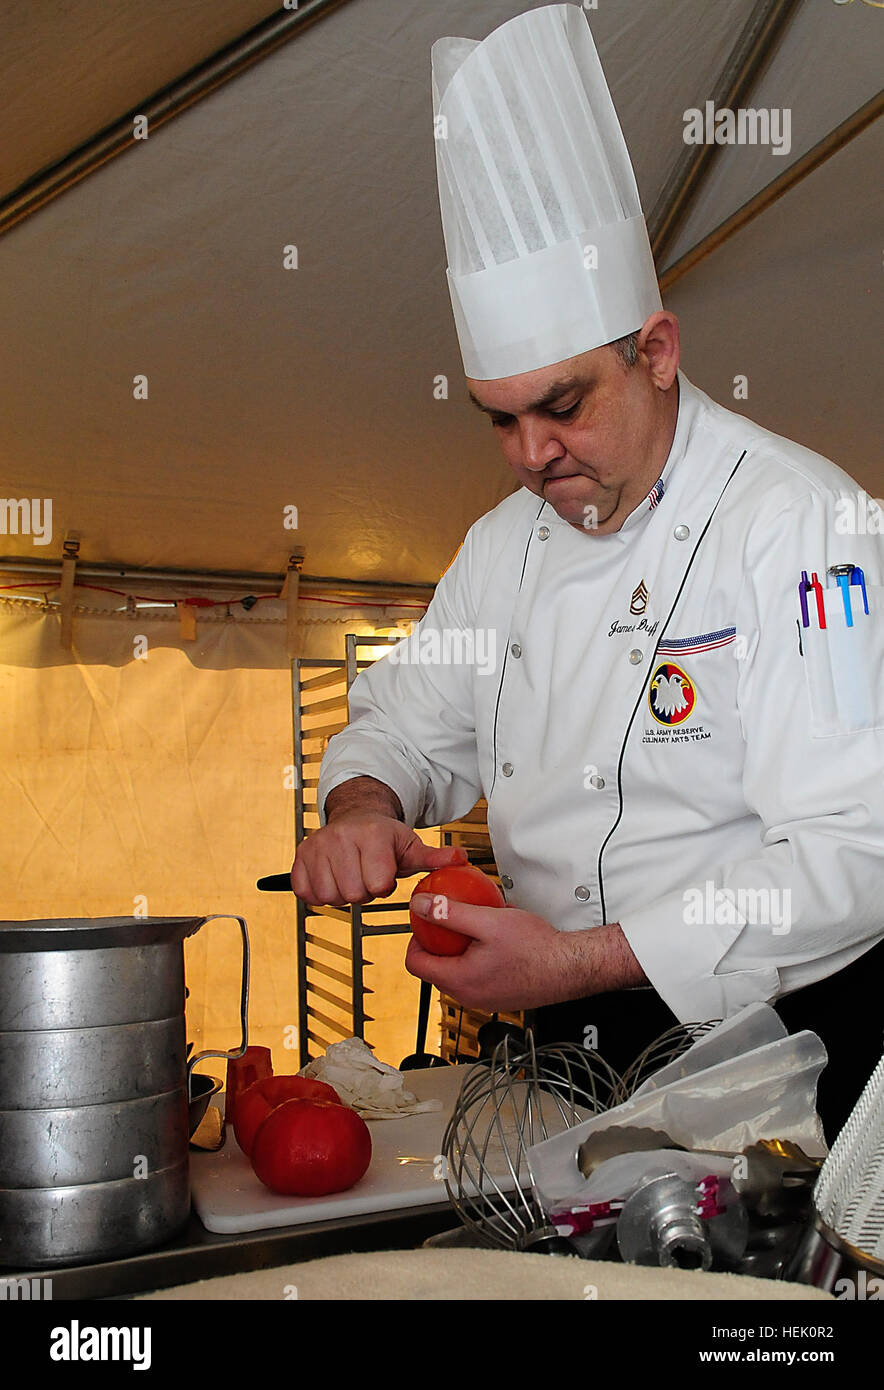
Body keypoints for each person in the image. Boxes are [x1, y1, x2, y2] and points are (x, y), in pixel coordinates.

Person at [292, 6, 884, 1137]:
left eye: (561, 406)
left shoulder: (801, 525)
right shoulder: (500, 546)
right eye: (498, 420)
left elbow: (850, 853)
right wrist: (363, 805)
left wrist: (577, 960)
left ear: (654, 352)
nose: (529, 455)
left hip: (773, 1066)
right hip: (561, 1065)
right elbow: (407, 725)